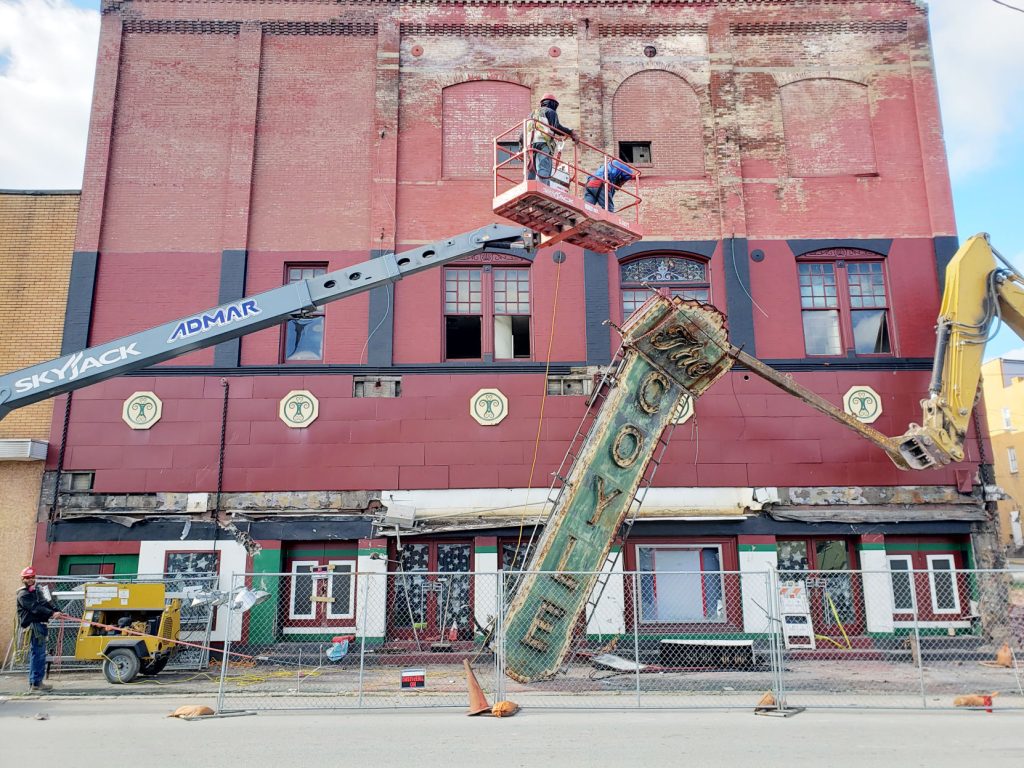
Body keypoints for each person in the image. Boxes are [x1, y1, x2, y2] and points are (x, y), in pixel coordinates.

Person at [16, 566, 61, 692]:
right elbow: (35, 608)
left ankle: (37, 682)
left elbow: (45, 604)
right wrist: (52, 614)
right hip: (34, 626)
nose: (30, 580)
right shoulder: (23, 595)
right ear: (23, 579)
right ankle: (36, 683)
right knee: (38, 654)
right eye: (27, 578)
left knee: (40, 654)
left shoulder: (36, 592)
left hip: (41, 625)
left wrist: (57, 611)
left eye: (32, 577)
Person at [525, 93, 576, 186]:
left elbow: (522, 134)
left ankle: (529, 185)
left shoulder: (531, 115)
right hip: (544, 143)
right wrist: (570, 132)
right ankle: (543, 187)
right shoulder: (550, 112)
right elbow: (556, 127)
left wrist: (521, 147)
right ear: (552, 104)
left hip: (531, 145)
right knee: (544, 166)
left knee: (532, 167)